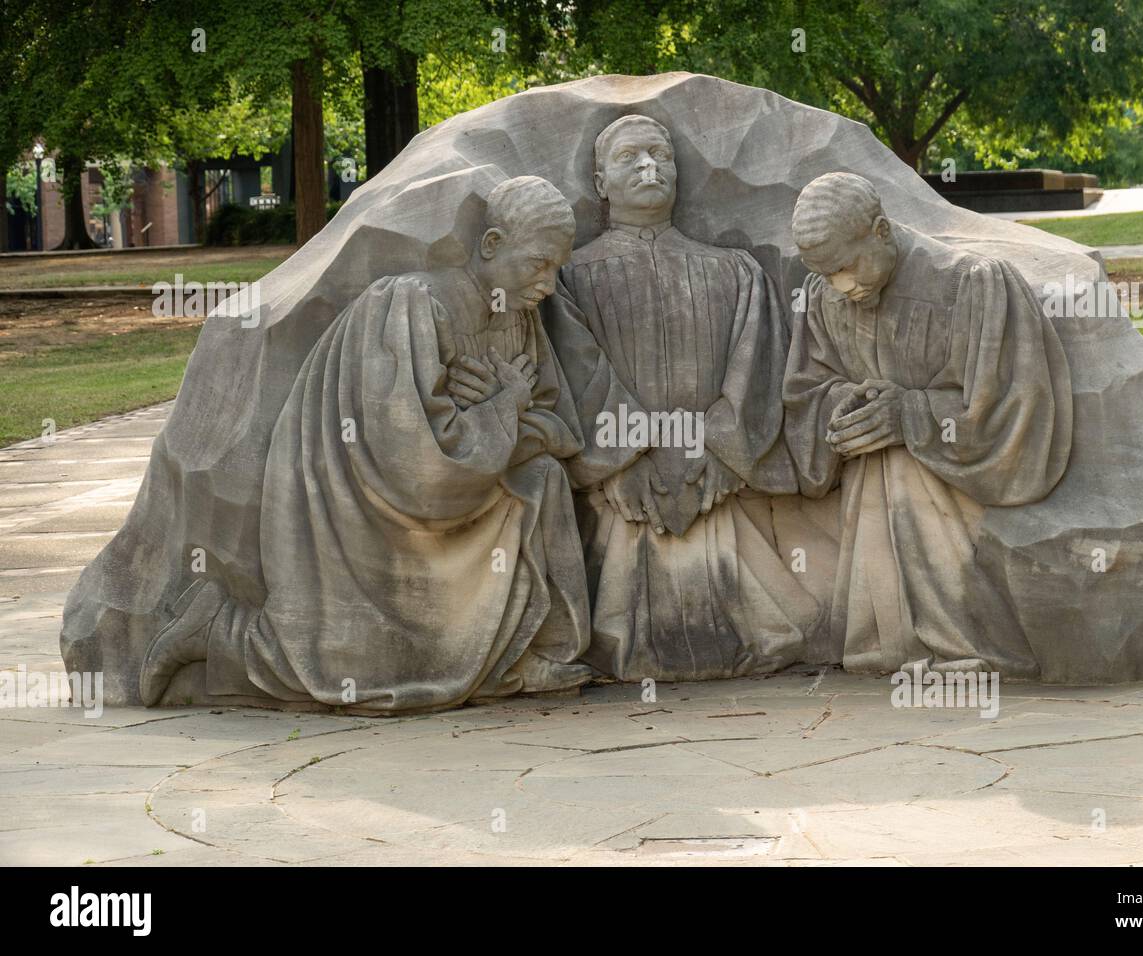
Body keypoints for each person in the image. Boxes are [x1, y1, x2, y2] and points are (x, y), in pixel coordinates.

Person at [139, 176, 592, 711]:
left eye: (556, 267)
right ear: (491, 245)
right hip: (363, 501)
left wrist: (505, 409)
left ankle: (510, 650)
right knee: (355, 661)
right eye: (538, 263)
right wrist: (502, 408)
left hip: (469, 491)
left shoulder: (519, 320)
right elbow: (413, 457)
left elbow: (554, 426)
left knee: (544, 480)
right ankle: (217, 629)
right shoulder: (409, 304)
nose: (548, 282)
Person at [544, 115, 822, 681]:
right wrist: (619, 463)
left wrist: (724, 453)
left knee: (756, 627)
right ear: (599, 183)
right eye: (629, 158)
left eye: (660, 154)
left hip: (715, 485)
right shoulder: (566, 279)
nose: (649, 166)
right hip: (622, 493)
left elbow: (758, 367)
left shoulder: (735, 272)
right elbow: (574, 373)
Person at [783, 172, 1073, 677]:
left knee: (902, 459)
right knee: (885, 457)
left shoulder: (971, 282)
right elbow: (807, 390)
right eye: (826, 274)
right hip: (869, 492)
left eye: (848, 267)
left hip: (954, 486)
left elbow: (1012, 408)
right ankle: (894, 640)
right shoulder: (823, 295)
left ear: (880, 230)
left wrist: (911, 415)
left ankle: (965, 641)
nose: (841, 286)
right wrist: (848, 409)